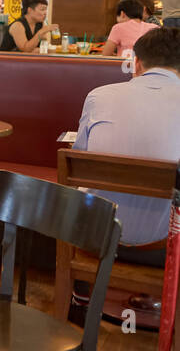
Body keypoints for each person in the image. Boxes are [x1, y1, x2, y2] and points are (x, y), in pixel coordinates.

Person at [73, 27, 180, 265]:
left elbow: (79, 157)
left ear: (137, 63)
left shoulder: (99, 96)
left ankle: (81, 290)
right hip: (168, 246)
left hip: (94, 235)